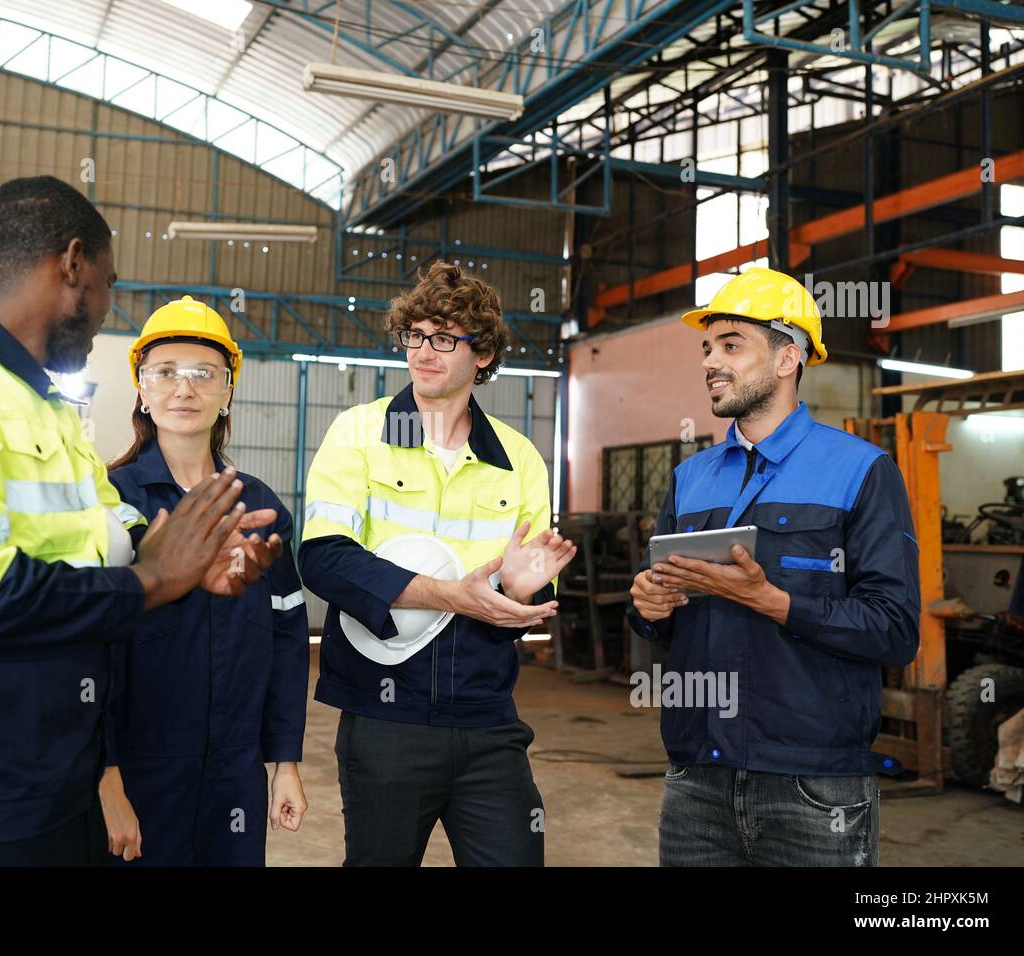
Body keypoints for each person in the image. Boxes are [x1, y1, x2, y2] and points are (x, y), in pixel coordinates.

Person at [0, 176, 281, 866]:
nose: (105, 311)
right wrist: (154, 580)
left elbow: (109, 540)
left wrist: (189, 560)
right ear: (71, 265)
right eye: (107, 282)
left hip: (50, 795)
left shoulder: (47, 411)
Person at [627, 267, 921, 867]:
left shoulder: (861, 470)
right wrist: (649, 609)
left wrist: (773, 601)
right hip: (696, 779)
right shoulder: (691, 478)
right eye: (708, 347)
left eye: (732, 345)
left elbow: (894, 629)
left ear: (788, 357)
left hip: (813, 789)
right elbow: (660, 615)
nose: (712, 361)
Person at [299, 261, 575, 867]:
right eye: (415, 335)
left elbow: (520, 590)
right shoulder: (359, 433)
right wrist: (453, 594)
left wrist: (523, 591)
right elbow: (324, 560)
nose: (424, 351)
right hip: (383, 715)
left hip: (486, 717)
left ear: (484, 355)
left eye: (445, 338)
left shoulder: (520, 459)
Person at [98, 296, 309, 866]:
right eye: (164, 373)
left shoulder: (260, 508)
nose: (183, 389)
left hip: (234, 769)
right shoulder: (112, 501)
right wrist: (106, 778)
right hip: (141, 766)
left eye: (202, 374)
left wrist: (283, 761)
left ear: (227, 391)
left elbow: (289, 639)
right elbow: (87, 650)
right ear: (141, 389)